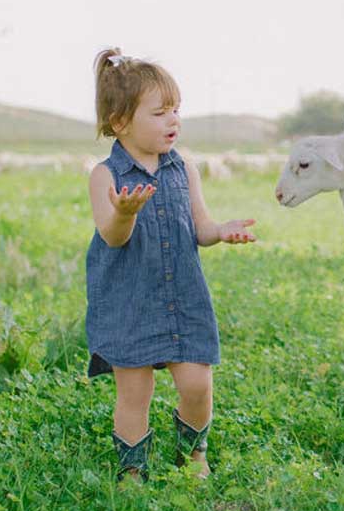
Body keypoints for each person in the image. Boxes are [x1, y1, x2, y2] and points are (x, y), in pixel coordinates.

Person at [85, 48, 256, 481]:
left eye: (176, 110)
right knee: (134, 392)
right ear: (120, 122)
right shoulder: (105, 176)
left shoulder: (184, 169)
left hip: (182, 295)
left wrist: (222, 230)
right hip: (130, 300)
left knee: (198, 382)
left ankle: (192, 455)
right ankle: (132, 471)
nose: (173, 121)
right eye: (160, 112)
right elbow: (112, 235)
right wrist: (124, 212)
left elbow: (199, 227)